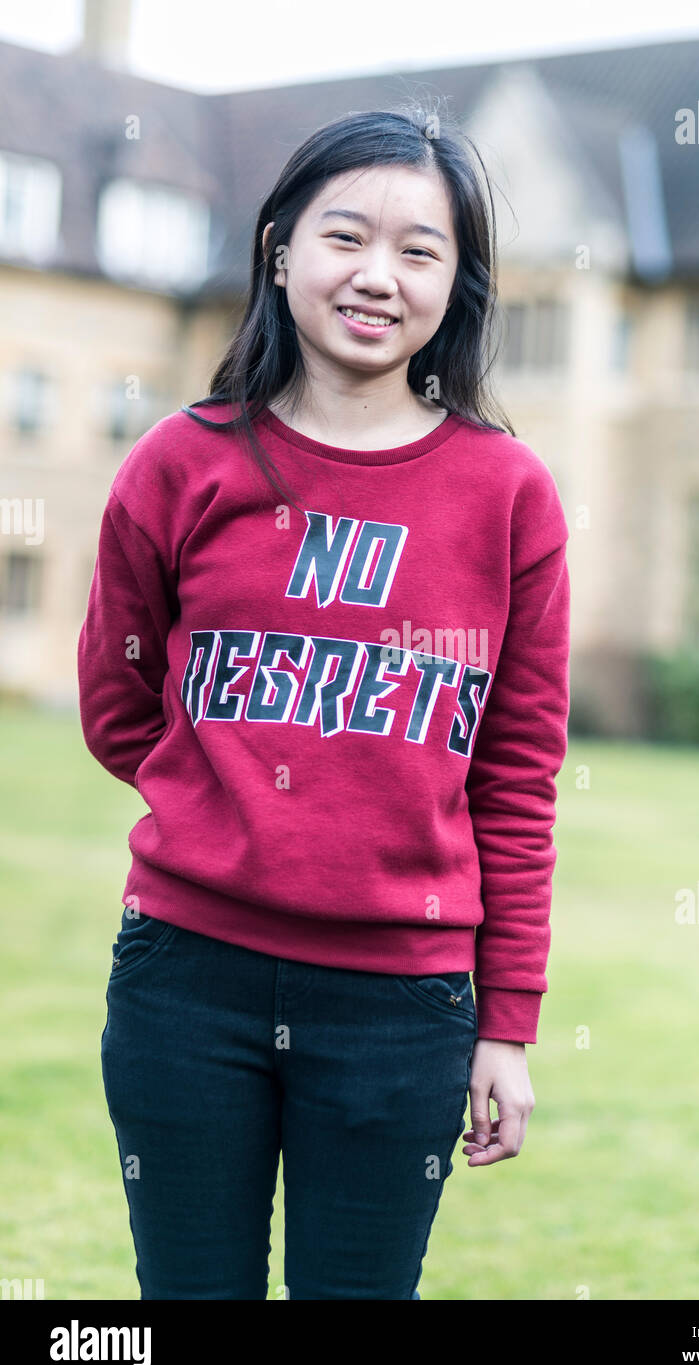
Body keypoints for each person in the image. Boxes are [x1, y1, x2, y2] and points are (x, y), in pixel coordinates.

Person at [77, 102, 571, 1300]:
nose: (377, 276)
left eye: (420, 251)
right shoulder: (181, 463)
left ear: (458, 286)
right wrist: (231, 810)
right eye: (345, 235)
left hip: (404, 1010)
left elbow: (513, 776)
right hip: (185, 985)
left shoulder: (508, 494)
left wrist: (504, 1022)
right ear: (279, 249)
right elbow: (118, 699)